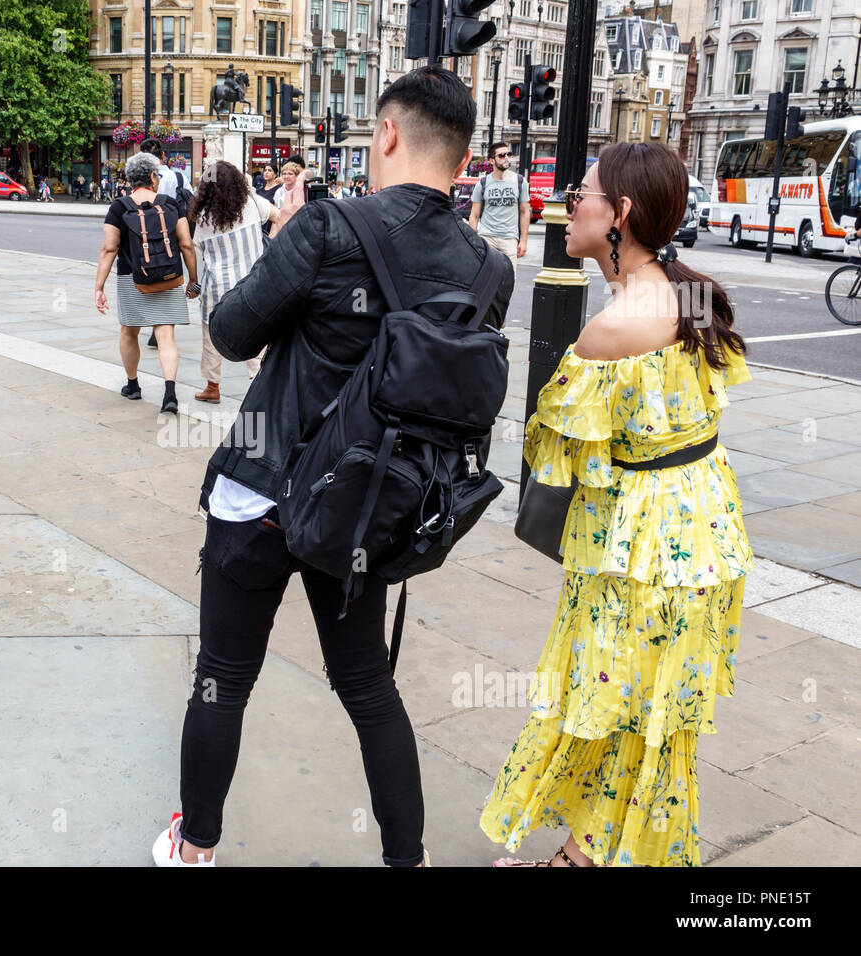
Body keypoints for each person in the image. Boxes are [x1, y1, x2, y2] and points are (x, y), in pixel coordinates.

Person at [150, 67, 513, 868]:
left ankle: (195, 847)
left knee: (223, 676)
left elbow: (236, 333)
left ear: (386, 133)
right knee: (369, 690)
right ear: (462, 153)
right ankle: (404, 861)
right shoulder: (490, 269)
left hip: (264, 485)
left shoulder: (325, 227)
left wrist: (280, 243)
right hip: (367, 505)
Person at [481, 142, 750, 868]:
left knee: (611, 701)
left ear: (620, 215)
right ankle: (588, 854)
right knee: (645, 713)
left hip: (645, 549)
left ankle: (579, 860)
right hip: (698, 532)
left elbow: (552, 449)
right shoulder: (686, 293)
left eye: (585, 191)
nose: (570, 202)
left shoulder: (613, 330)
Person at [94, 152, 198, 415]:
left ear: (130, 180)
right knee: (166, 337)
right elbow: (186, 244)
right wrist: (193, 279)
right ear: (153, 177)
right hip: (168, 278)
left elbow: (108, 249)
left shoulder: (119, 207)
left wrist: (99, 286)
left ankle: (133, 385)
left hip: (132, 277)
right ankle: (170, 393)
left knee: (129, 332)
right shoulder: (171, 204)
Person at [187, 160, 278, 404]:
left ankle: (212, 386)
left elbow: (199, 251)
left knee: (211, 337)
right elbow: (278, 216)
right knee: (258, 337)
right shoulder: (253, 203)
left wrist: (193, 283)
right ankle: (261, 387)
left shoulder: (205, 218)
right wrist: (268, 240)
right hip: (253, 283)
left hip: (218, 288)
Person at [468, 142, 530, 274]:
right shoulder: (482, 184)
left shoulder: (520, 182)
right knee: (486, 280)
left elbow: (525, 212)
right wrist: (473, 241)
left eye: (509, 154)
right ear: (491, 161)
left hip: (509, 238)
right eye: (502, 155)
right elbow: (474, 215)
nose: (507, 157)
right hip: (487, 237)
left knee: (509, 282)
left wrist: (523, 241)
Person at [271, 161, 305, 235]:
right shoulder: (278, 192)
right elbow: (276, 212)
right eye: (284, 174)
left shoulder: (302, 191)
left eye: (290, 174)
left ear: (296, 176)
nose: (286, 176)